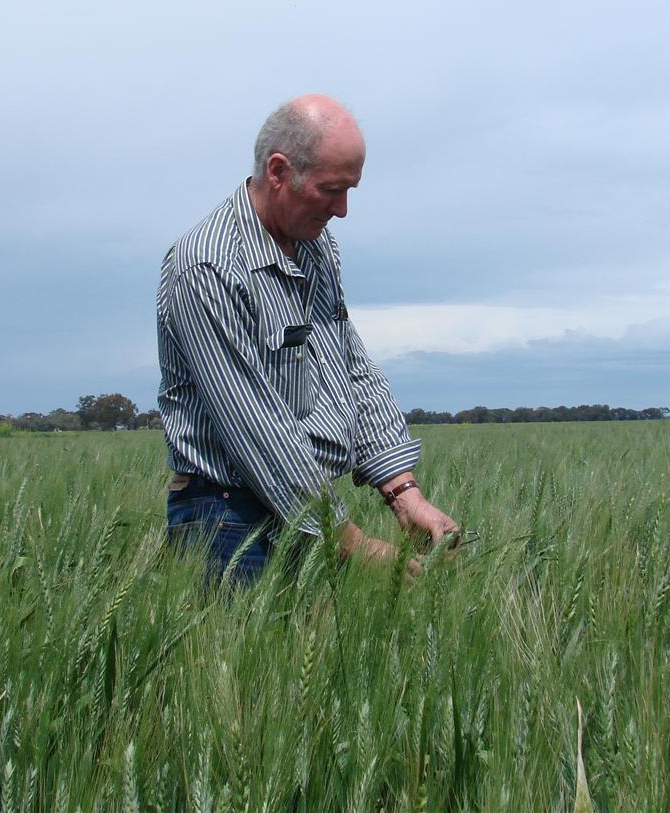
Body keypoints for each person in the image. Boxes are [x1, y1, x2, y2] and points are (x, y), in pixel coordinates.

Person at [156, 93, 460, 582]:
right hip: (226, 519)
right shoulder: (206, 266)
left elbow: (351, 370)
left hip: (307, 507)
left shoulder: (315, 248)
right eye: (331, 190)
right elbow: (257, 429)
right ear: (278, 171)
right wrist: (354, 545)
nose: (342, 210)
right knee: (240, 659)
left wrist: (404, 494)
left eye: (350, 190)